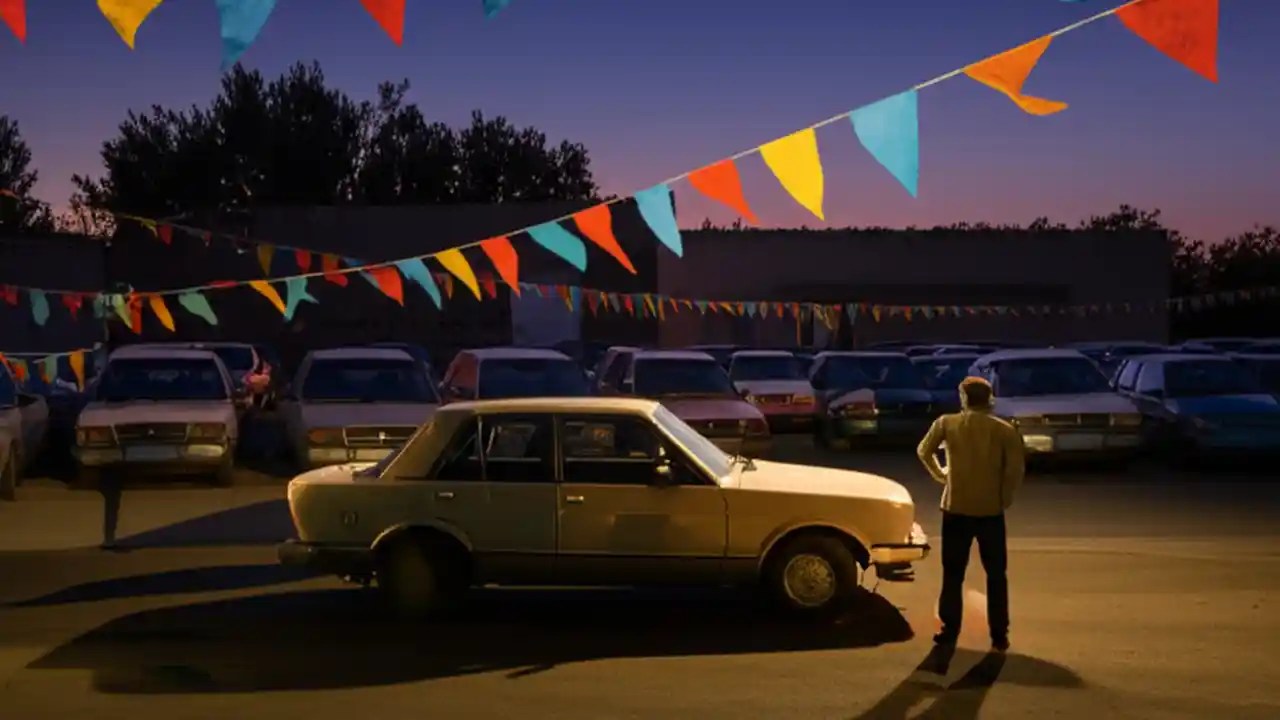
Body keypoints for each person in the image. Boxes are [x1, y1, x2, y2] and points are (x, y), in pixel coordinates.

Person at [916, 375, 1025, 651]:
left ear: (963, 398)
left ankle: (949, 630)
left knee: (953, 574)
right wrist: (1004, 497)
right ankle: (999, 633)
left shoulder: (947, 423)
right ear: (989, 399)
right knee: (996, 574)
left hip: (956, 507)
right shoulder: (1004, 430)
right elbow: (1014, 470)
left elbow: (924, 451)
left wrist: (942, 475)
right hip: (990, 511)